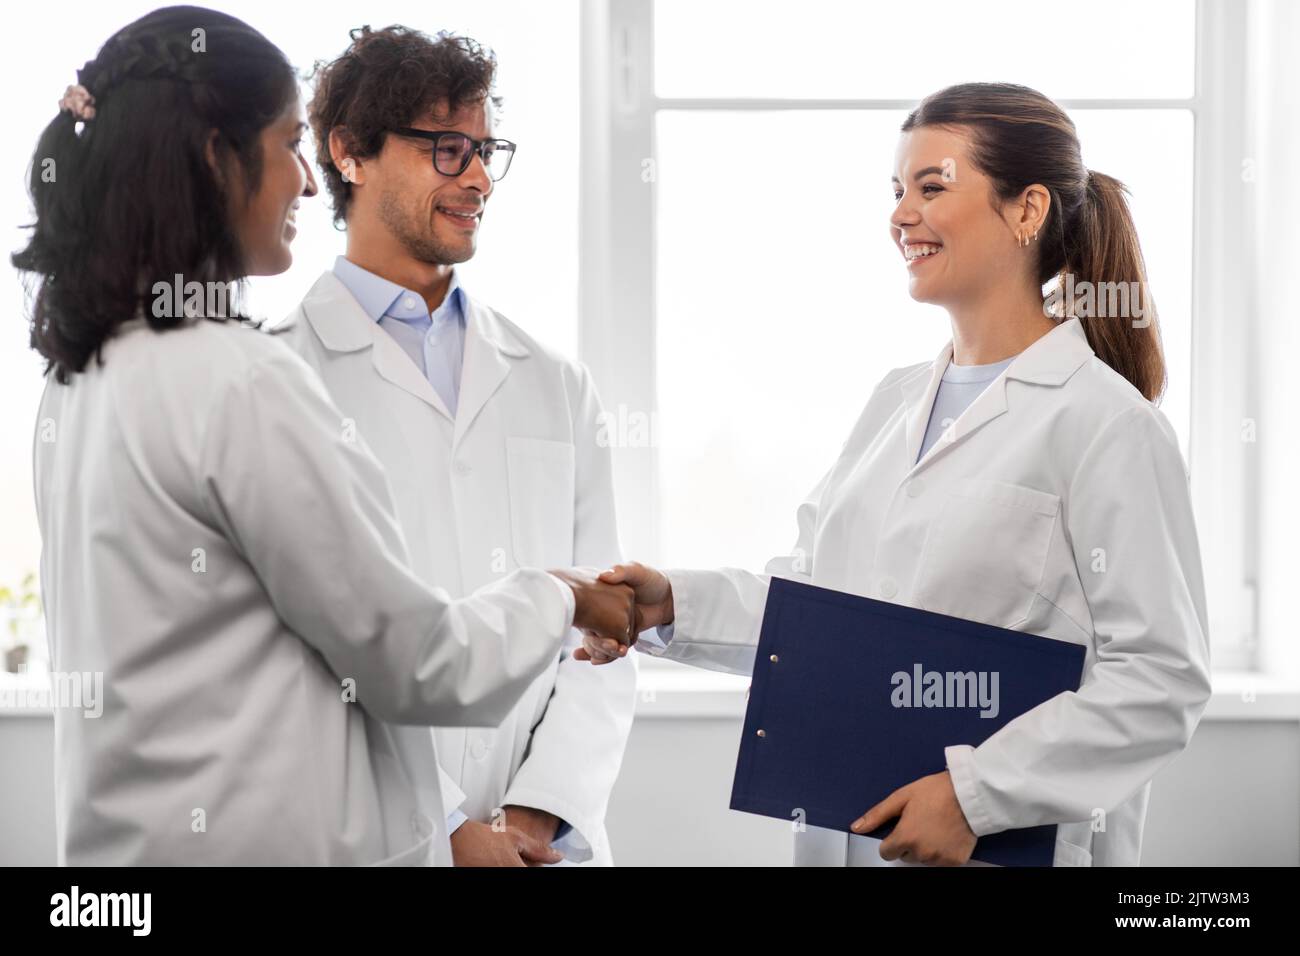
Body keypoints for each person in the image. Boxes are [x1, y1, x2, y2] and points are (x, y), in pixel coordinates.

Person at [15, 5, 633, 866]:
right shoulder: (248, 376)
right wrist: (562, 595)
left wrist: (534, 815)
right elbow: (414, 660)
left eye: (484, 152)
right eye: (285, 145)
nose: (304, 180)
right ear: (213, 160)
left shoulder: (77, 375)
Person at [580, 82, 1212, 868]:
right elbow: (821, 615)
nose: (901, 214)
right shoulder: (895, 400)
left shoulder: (1109, 426)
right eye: (896, 191)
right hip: (841, 830)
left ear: (1027, 210)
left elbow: (1160, 680)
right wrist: (671, 605)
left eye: (932, 187)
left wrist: (976, 793)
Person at [279, 25, 635, 867]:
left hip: (544, 847)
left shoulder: (554, 382)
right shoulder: (280, 374)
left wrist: (535, 816)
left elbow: (607, 633)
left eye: (484, 150)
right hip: (377, 838)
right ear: (350, 154)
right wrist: (444, 829)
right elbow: (304, 653)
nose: (477, 177)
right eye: (446, 149)